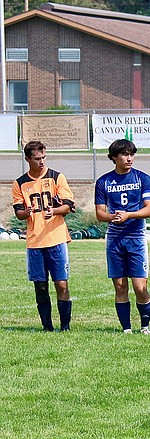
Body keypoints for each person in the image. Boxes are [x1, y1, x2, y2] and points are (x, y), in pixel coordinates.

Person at [12, 140, 75, 331]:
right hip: (35, 242)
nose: (41, 162)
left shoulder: (57, 177)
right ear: (28, 159)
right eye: (37, 159)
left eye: (44, 157)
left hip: (56, 239)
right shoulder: (20, 183)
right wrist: (27, 211)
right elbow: (18, 212)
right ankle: (47, 327)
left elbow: (69, 205)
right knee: (40, 286)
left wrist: (55, 211)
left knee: (61, 284)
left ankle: (65, 326)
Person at [95, 139, 150, 334]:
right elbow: (100, 213)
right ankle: (126, 329)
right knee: (120, 286)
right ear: (114, 157)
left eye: (131, 154)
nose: (129, 158)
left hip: (136, 238)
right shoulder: (104, 181)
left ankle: (145, 326)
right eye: (124, 154)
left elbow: (149, 209)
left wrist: (129, 215)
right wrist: (113, 217)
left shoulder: (142, 178)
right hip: (115, 239)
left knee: (140, 287)